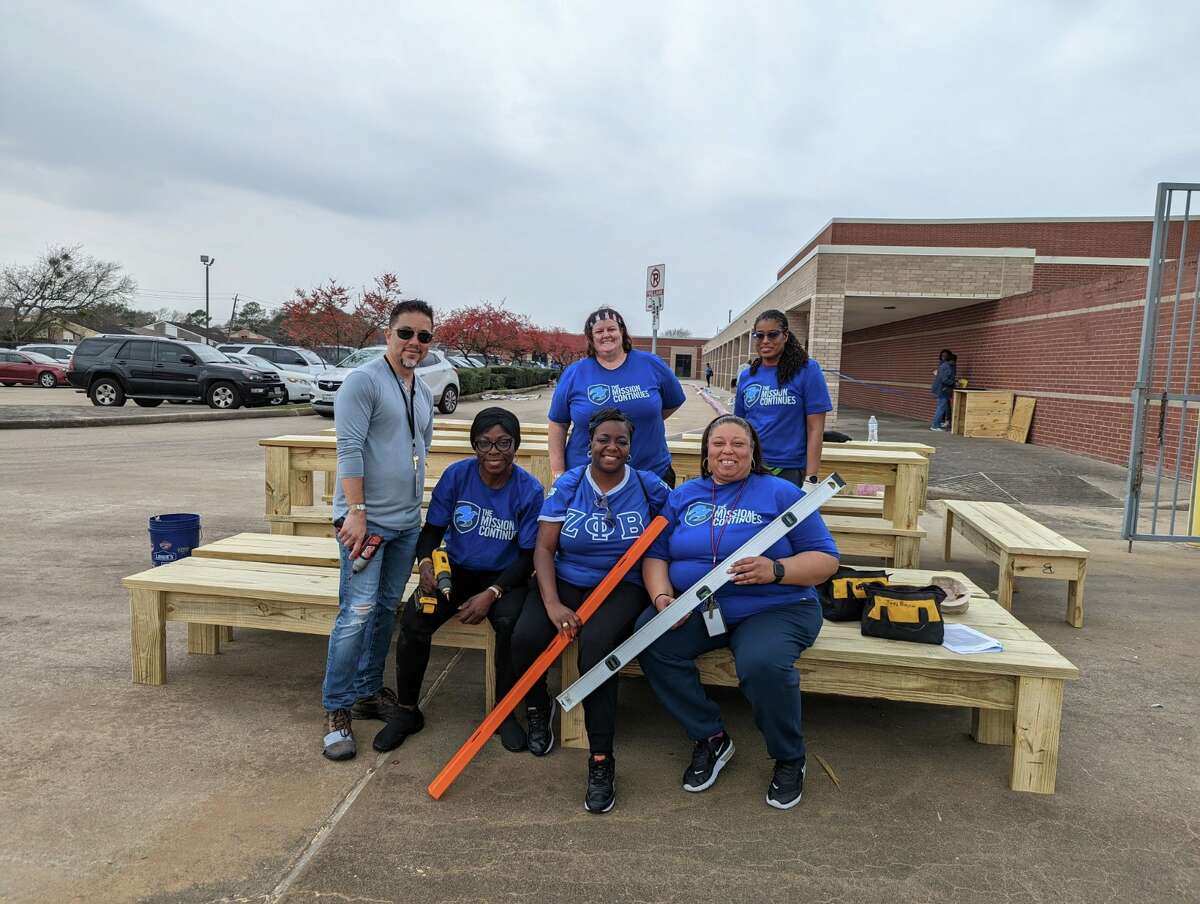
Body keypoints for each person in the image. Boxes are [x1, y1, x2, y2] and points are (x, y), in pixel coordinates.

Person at [638, 414, 839, 809]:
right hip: (704, 605)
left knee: (761, 662)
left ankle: (788, 758)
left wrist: (776, 570)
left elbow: (826, 559)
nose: (727, 451)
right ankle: (710, 736)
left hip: (777, 607)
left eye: (738, 444)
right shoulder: (683, 496)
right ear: (705, 452)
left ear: (753, 452)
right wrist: (663, 599)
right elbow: (655, 554)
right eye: (718, 444)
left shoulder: (781, 493)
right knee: (651, 637)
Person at [509, 407, 669, 813]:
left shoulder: (649, 486)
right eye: (603, 439)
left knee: (596, 651)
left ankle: (601, 759)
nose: (611, 447)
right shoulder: (570, 484)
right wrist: (552, 603)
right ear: (589, 443)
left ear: (631, 447)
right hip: (566, 578)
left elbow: (683, 519)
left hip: (622, 585)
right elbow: (544, 549)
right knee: (525, 635)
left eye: (621, 440)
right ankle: (537, 706)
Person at [373, 408, 544, 754]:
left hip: (505, 575)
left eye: (503, 443)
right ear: (474, 446)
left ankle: (503, 714)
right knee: (414, 618)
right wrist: (425, 564)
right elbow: (432, 531)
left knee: (510, 623)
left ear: (515, 445)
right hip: (459, 569)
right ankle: (407, 711)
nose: (494, 452)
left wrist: (492, 593)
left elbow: (527, 557)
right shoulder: (457, 476)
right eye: (484, 443)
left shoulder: (528, 489)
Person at [321, 299, 436, 761]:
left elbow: (417, 449)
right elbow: (348, 448)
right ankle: (336, 707)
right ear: (388, 334)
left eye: (424, 336)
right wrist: (356, 510)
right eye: (406, 333)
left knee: (387, 608)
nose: (414, 343)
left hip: (406, 522)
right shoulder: (363, 382)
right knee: (357, 612)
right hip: (363, 523)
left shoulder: (422, 390)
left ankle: (369, 692)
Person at [548, 307, 686, 486]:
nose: (606, 334)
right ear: (591, 338)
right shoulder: (575, 373)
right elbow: (558, 423)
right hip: (587, 480)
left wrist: (642, 420)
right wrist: (558, 473)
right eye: (599, 331)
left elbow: (673, 402)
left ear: (622, 332)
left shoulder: (651, 364)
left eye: (611, 329)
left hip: (650, 475)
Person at [734, 309, 833, 489]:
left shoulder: (807, 370)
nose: (765, 341)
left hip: (791, 469)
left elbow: (815, 428)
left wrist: (811, 478)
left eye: (773, 335)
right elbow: (740, 427)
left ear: (785, 336)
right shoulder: (747, 376)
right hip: (752, 466)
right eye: (760, 335)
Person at [930, 349, 957, 431]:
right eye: (954, 362)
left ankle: (937, 423)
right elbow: (945, 380)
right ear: (952, 361)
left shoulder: (942, 365)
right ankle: (935, 425)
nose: (955, 364)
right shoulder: (947, 367)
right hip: (943, 390)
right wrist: (953, 383)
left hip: (940, 389)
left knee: (941, 407)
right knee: (941, 407)